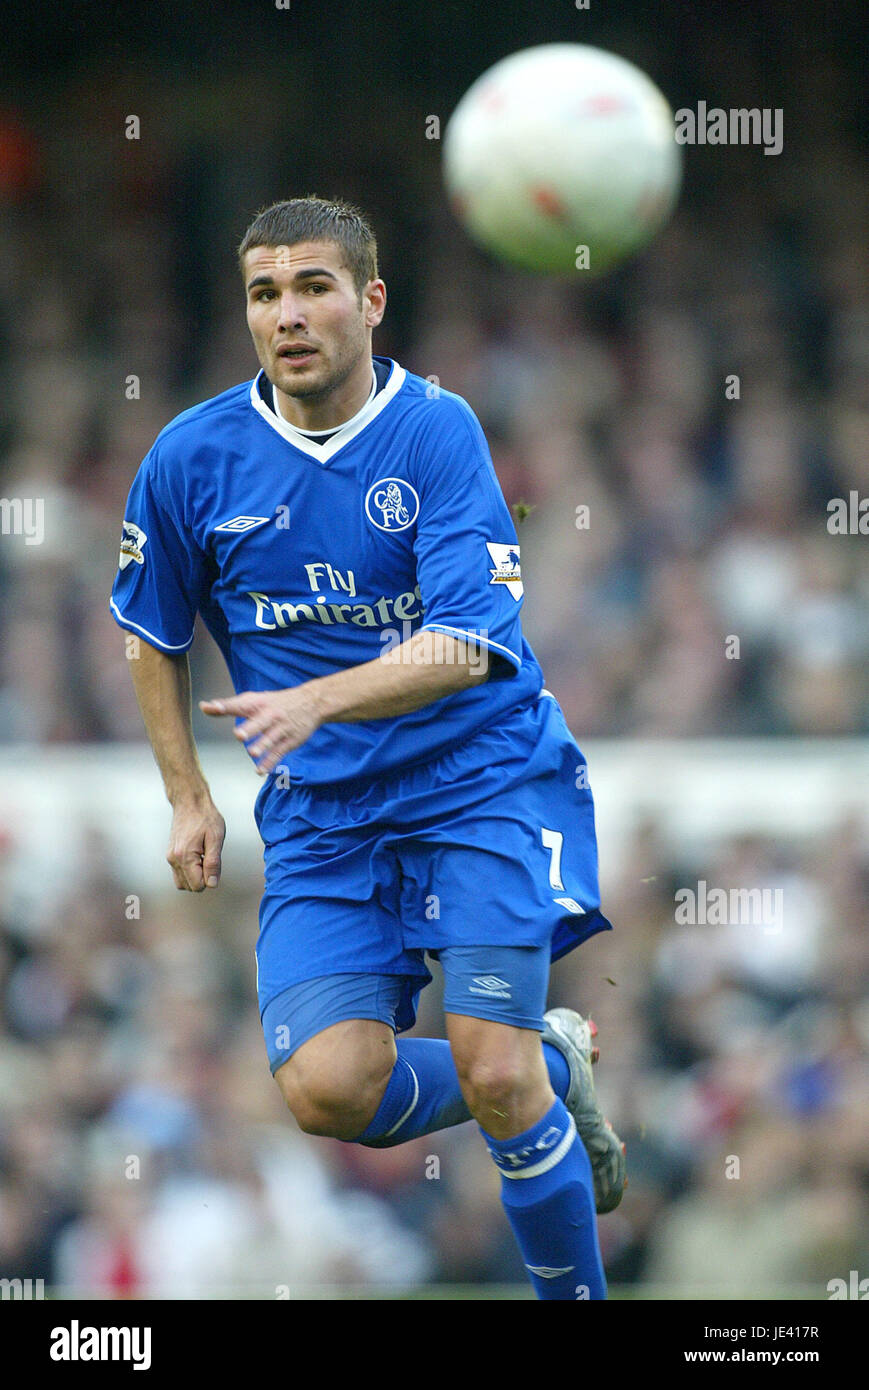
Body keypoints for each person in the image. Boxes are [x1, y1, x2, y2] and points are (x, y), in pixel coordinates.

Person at [110, 195, 626, 1301]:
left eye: (313, 287)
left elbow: (468, 645)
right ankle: (555, 1062)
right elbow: (150, 631)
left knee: (487, 1072)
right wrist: (186, 796)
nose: (287, 314)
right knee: (326, 1090)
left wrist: (315, 701)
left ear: (369, 301)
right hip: (320, 815)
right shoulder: (190, 457)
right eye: (264, 293)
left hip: (476, 778)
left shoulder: (435, 430)